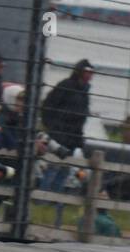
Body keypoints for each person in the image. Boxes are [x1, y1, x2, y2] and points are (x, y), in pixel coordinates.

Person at [39, 58, 92, 192]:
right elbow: (48, 105)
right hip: (59, 134)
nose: (90, 75)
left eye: (92, 73)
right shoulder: (66, 85)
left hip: (73, 136)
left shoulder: (85, 91)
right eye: (87, 72)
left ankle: (55, 198)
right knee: (53, 167)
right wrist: (52, 126)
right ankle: (43, 198)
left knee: (65, 169)